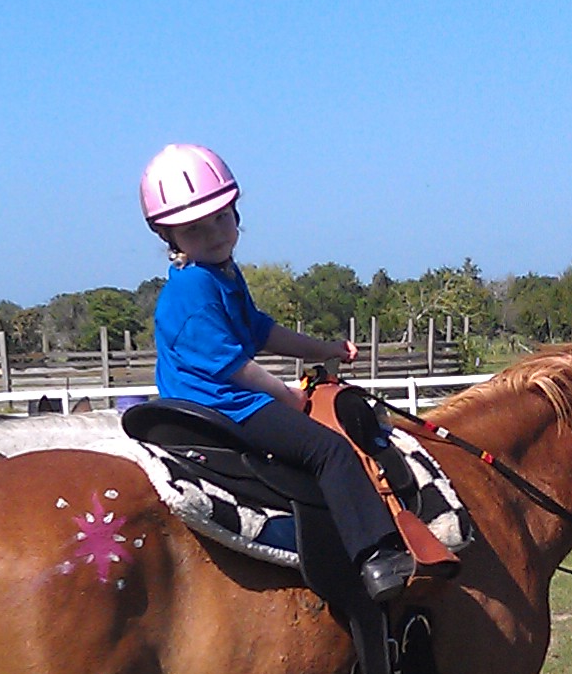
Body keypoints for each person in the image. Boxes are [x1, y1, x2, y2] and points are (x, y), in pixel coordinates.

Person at [140, 144, 415, 602]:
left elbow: (259, 330)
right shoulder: (193, 287)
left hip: (221, 395)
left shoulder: (221, 273)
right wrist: (287, 396)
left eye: (221, 218)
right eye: (195, 228)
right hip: (221, 403)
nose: (214, 233)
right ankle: (377, 555)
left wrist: (325, 350)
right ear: (168, 234)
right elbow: (233, 365)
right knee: (329, 451)